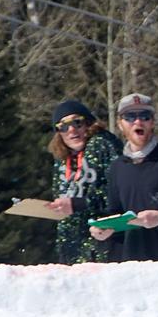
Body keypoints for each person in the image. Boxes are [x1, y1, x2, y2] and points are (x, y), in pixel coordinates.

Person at [90, 94, 158, 261]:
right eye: (130, 117)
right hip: (129, 264)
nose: (138, 122)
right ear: (120, 124)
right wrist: (103, 229)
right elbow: (114, 212)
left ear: (152, 122)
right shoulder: (117, 168)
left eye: (144, 116)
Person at [46, 99, 121, 264]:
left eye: (77, 123)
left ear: (88, 123)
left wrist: (79, 204)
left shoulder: (103, 144)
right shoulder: (61, 157)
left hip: (104, 240)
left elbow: (119, 192)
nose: (72, 130)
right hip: (71, 244)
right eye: (64, 127)